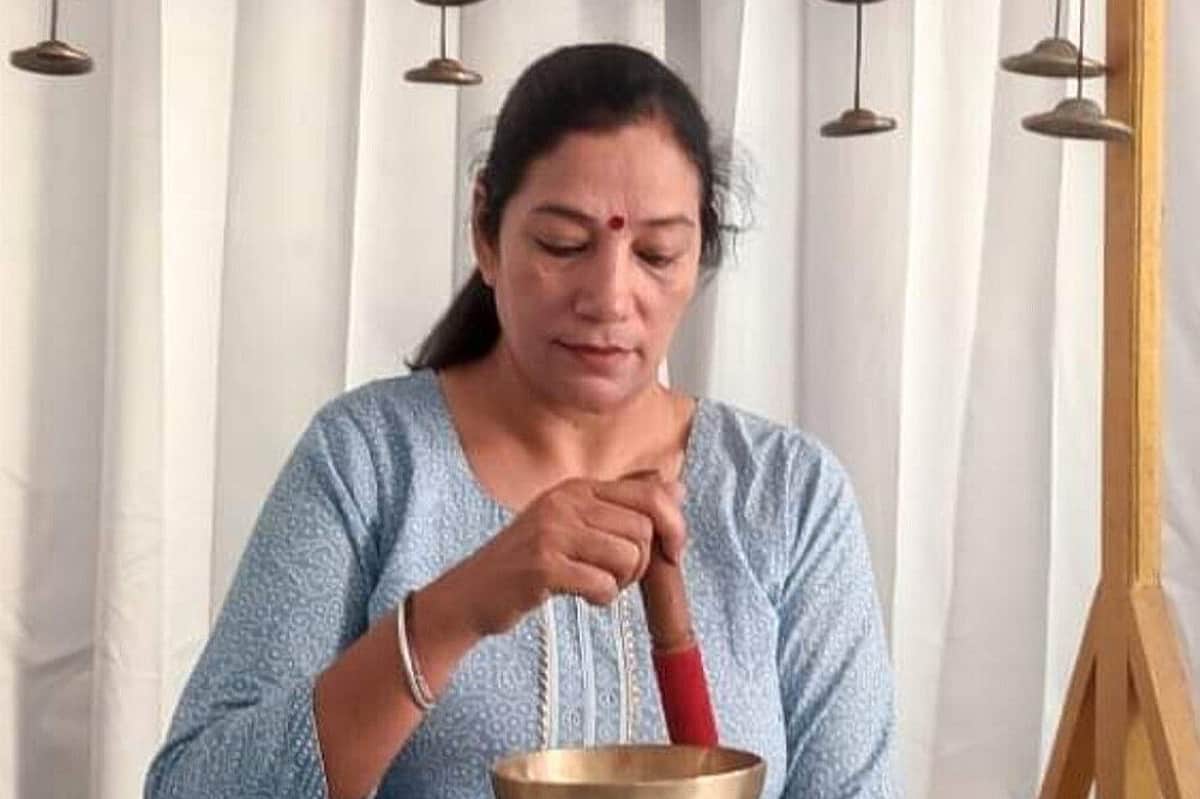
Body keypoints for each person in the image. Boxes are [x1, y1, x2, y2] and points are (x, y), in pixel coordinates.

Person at [144, 43, 897, 799]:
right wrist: (457, 608)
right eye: (562, 244)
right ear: (485, 230)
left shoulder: (789, 495)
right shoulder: (368, 460)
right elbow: (192, 789)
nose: (609, 296)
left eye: (657, 253)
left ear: (700, 257)